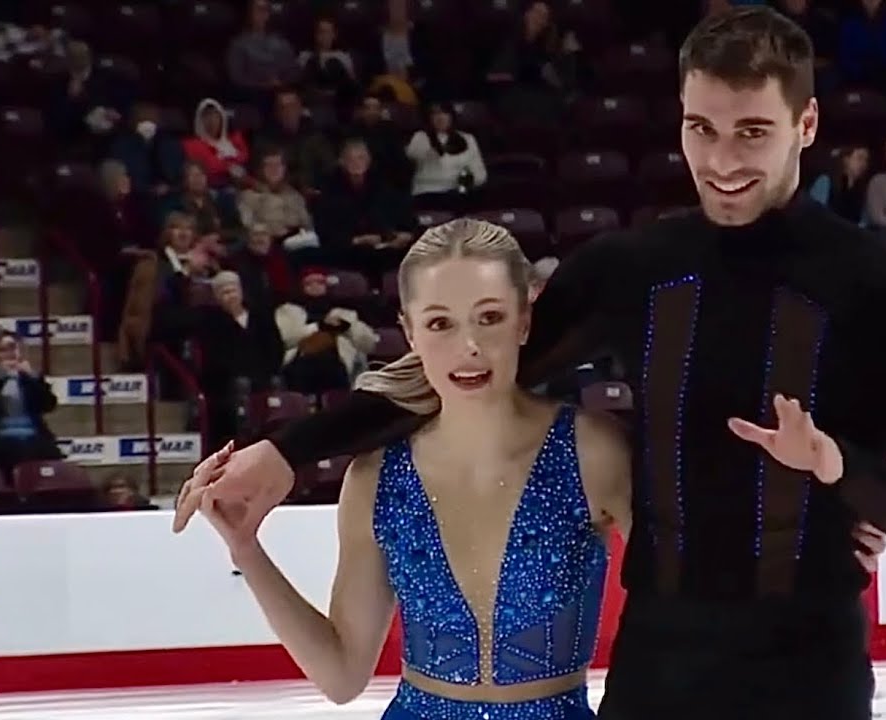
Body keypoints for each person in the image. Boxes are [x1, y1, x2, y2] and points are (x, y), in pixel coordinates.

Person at [176, 8, 886, 718]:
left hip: (809, 674)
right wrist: (288, 453)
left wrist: (836, 466)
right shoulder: (633, 268)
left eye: (753, 131)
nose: (722, 159)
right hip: (656, 675)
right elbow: (469, 370)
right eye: (700, 128)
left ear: (806, 125)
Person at [195, 218, 629, 718]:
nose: (469, 347)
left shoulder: (592, 451)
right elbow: (341, 676)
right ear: (409, 331)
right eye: (441, 323)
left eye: (489, 317)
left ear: (524, 320)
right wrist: (246, 550)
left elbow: (678, 615)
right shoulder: (378, 475)